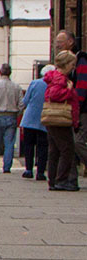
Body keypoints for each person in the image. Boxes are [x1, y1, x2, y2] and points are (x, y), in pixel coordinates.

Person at [43, 50, 80, 191]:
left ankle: (53, 181)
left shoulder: (54, 77)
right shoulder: (61, 78)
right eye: (72, 64)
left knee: (54, 151)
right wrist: (69, 90)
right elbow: (54, 94)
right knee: (67, 149)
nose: (73, 67)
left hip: (52, 118)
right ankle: (61, 180)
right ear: (66, 64)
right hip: (60, 118)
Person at [54, 30, 87, 178]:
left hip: (82, 109)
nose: (57, 45)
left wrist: (76, 105)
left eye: (60, 41)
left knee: (78, 142)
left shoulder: (81, 60)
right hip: (70, 109)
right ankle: (70, 178)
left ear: (70, 42)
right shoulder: (64, 63)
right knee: (70, 144)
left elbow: (82, 87)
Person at [0, 63, 23, 173]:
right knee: (9, 143)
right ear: (10, 73)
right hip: (11, 116)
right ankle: (7, 167)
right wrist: (17, 113)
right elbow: (21, 104)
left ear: (0, 72)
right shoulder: (16, 87)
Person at [19, 65, 53, 181]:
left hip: (29, 118)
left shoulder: (34, 83)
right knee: (42, 147)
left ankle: (28, 170)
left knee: (29, 145)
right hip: (45, 119)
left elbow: (26, 100)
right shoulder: (52, 85)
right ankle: (40, 172)